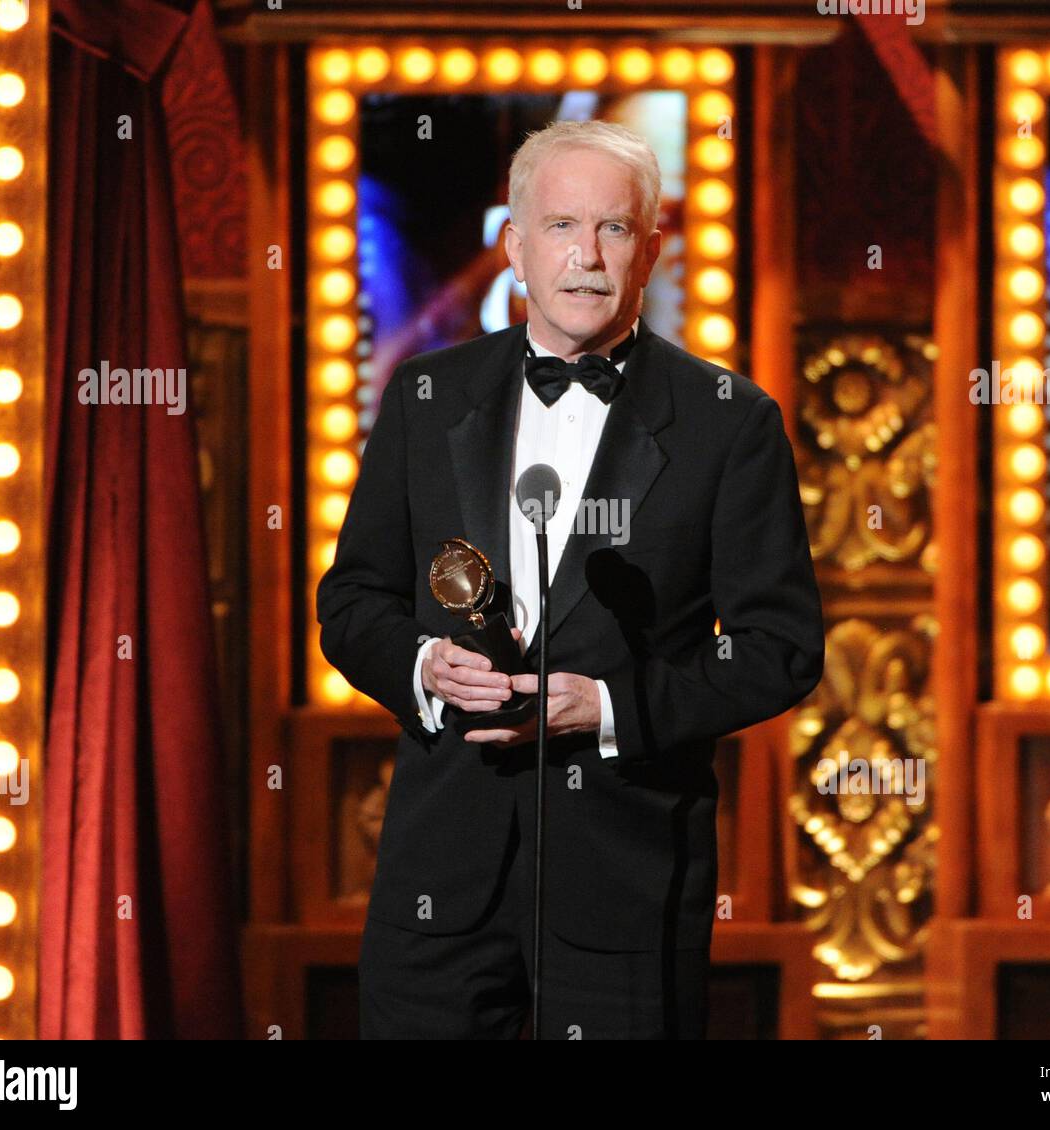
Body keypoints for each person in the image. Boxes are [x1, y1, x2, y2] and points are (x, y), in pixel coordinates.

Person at [316, 119, 823, 1039]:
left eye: (614, 229)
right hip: (441, 888)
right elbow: (351, 604)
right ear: (513, 246)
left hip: (627, 889)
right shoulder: (425, 399)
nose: (585, 257)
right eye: (559, 228)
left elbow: (780, 651)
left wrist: (610, 704)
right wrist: (425, 666)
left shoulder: (729, 423)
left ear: (652, 250)